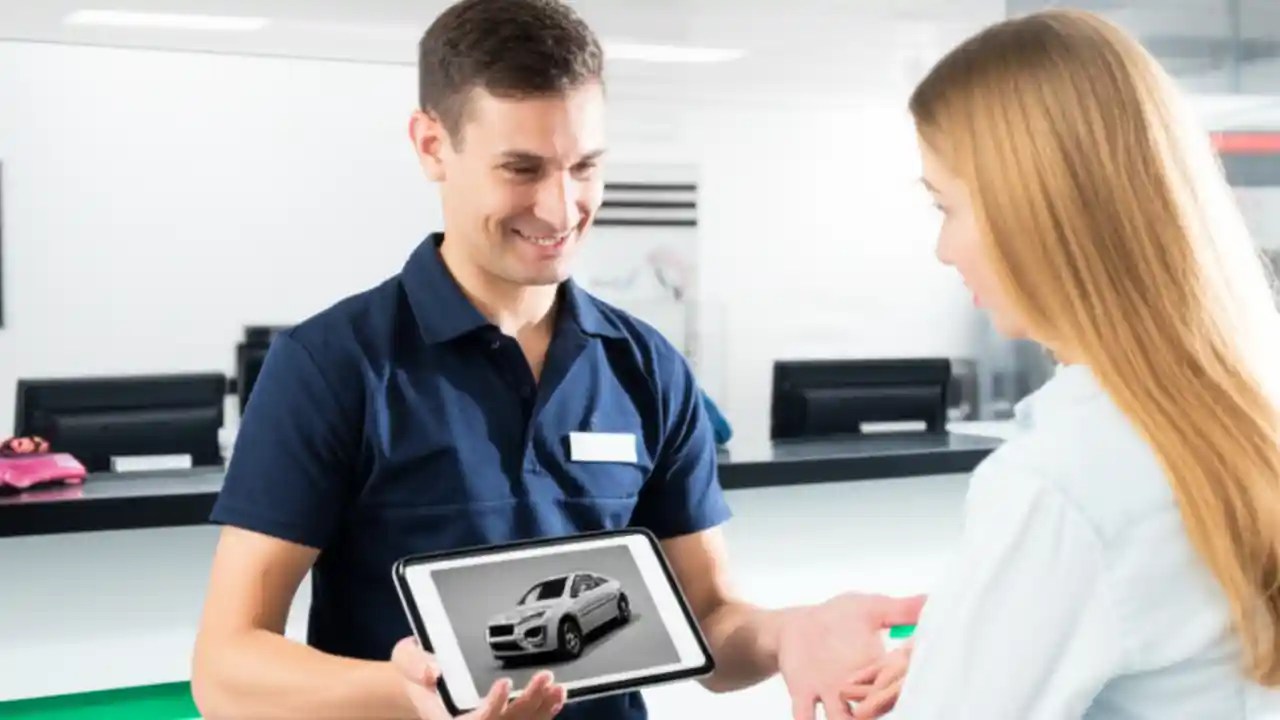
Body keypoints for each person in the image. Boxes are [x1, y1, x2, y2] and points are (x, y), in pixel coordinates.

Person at [189, 1, 922, 719]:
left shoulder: (646, 368)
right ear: (431, 146)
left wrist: (785, 634)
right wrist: (417, 698)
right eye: (522, 168)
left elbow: (704, 616)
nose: (560, 208)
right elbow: (226, 670)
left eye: (584, 167)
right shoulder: (329, 366)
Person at [841, 9, 1280, 718]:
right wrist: (971, 649)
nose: (943, 250)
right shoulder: (1245, 410)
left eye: (946, 207)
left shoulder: (1060, 483)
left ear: (1036, 208)